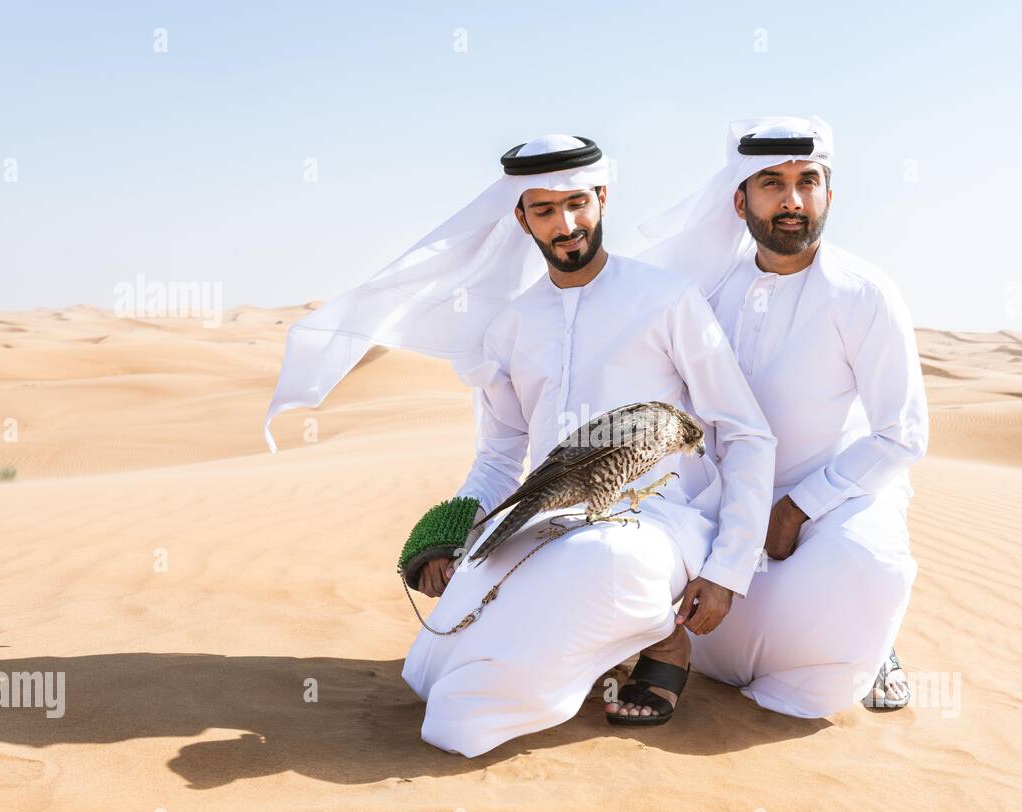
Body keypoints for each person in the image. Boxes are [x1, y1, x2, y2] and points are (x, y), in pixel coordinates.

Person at [266, 134, 775, 757]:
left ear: (602, 199)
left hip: (659, 520)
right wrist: (453, 530)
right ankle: (587, 654)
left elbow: (747, 432)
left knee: (478, 699)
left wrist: (729, 568)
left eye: (578, 204)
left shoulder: (666, 299)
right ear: (521, 217)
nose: (566, 224)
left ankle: (662, 640)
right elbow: (501, 454)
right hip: (545, 516)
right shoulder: (508, 324)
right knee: (430, 672)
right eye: (544, 210)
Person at [637, 116, 928, 718]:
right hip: (726, 494)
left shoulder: (864, 294)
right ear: (739, 201)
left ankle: (873, 648)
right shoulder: (705, 292)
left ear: (829, 193)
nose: (792, 200)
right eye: (772, 183)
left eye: (808, 181)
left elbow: (902, 435)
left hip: (834, 494)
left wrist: (798, 507)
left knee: (862, 568)